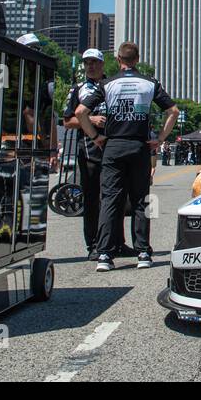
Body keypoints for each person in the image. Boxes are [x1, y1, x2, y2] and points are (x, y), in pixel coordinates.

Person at [75, 42, 180, 272]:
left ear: (118, 60)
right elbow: (173, 111)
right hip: (139, 145)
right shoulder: (149, 83)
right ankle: (143, 251)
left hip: (113, 146)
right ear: (137, 59)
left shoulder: (107, 83)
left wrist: (95, 136)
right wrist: (160, 138)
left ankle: (104, 254)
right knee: (142, 200)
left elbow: (80, 112)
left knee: (110, 199)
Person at [62, 48, 128, 259]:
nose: (90, 66)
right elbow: (68, 121)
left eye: (94, 62)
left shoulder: (114, 86)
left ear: (102, 64)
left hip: (115, 149)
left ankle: (118, 242)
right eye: (86, 62)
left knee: (116, 197)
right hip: (90, 152)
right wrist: (90, 120)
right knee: (91, 200)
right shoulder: (77, 90)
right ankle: (93, 244)